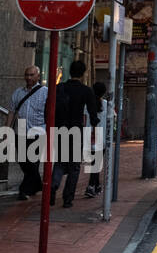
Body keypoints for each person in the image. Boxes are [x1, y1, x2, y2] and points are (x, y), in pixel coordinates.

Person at [50, 61, 99, 209]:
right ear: (83, 73)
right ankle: (67, 199)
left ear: (69, 72)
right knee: (74, 167)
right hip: (76, 130)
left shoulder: (60, 88)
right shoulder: (86, 91)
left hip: (60, 129)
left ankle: (53, 185)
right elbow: (93, 114)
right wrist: (94, 129)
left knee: (59, 162)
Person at [8, 66, 48, 200]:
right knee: (23, 161)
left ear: (38, 76)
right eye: (27, 75)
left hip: (38, 131)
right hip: (20, 131)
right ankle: (36, 184)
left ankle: (24, 190)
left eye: (31, 75)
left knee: (32, 162)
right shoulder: (18, 92)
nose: (28, 78)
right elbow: (12, 111)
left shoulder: (45, 92)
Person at [85, 81, 110, 198]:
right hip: (101, 136)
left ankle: (97, 185)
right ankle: (91, 186)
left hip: (89, 136)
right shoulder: (107, 105)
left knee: (94, 162)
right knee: (96, 163)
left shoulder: (86, 105)